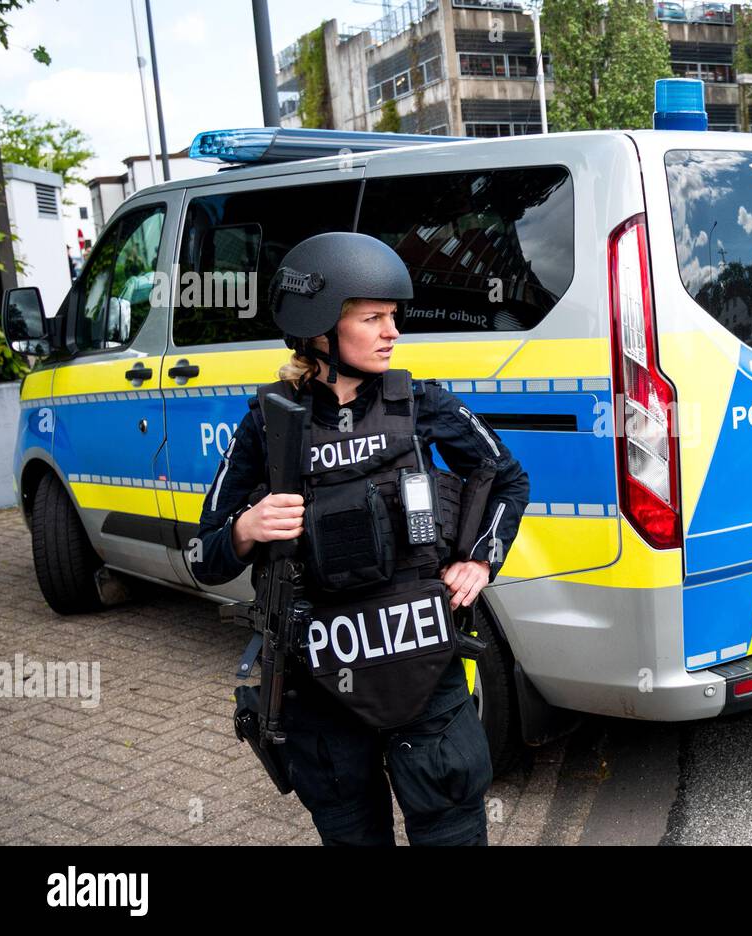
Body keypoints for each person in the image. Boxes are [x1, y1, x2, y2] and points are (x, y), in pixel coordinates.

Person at [193, 232, 530, 846]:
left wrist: (481, 561)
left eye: (392, 316)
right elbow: (203, 555)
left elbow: (505, 477)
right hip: (322, 685)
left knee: (452, 828)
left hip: (423, 672)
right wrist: (244, 529)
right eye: (371, 318)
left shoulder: (420, 403)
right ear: (319, 330)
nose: (391, 332)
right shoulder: (268, 423)